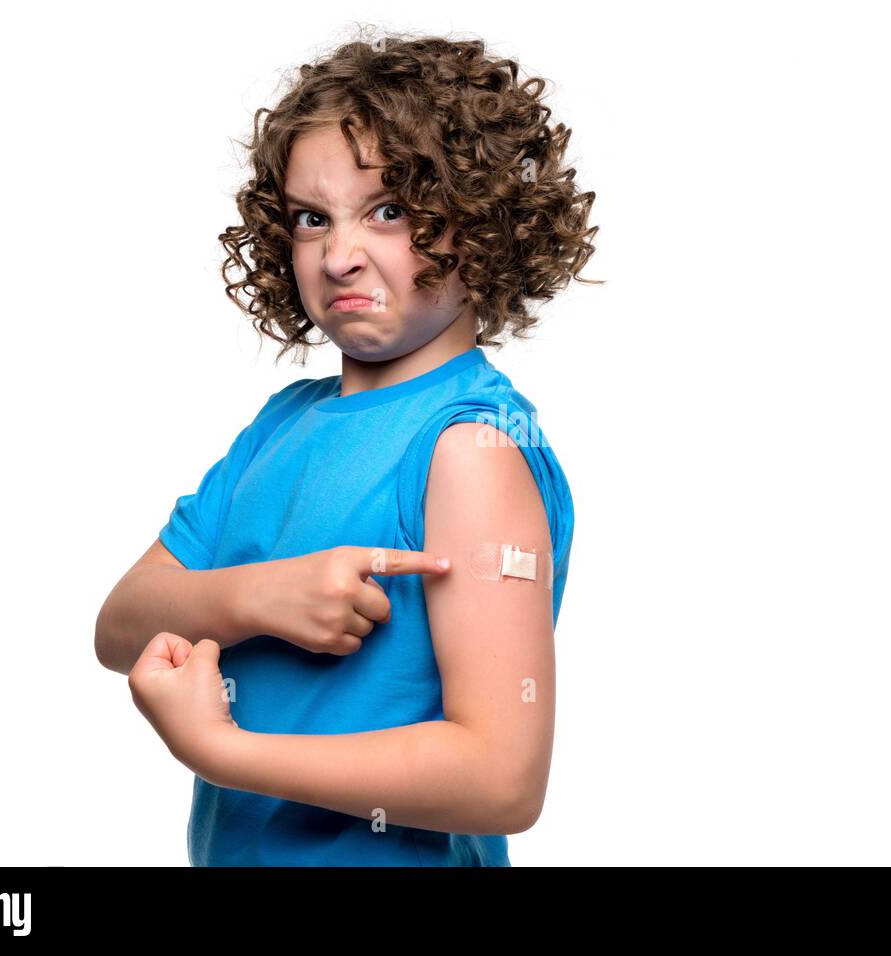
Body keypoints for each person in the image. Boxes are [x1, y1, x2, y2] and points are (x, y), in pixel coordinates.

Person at [94, 31, 600, 866]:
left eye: (389, 211)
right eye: (310, 218)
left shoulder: (469, 448)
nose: (339, 256)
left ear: (481, 221)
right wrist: (262, 597)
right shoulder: (284, 422)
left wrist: (222, 752)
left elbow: (504, 779)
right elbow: (119, 626)